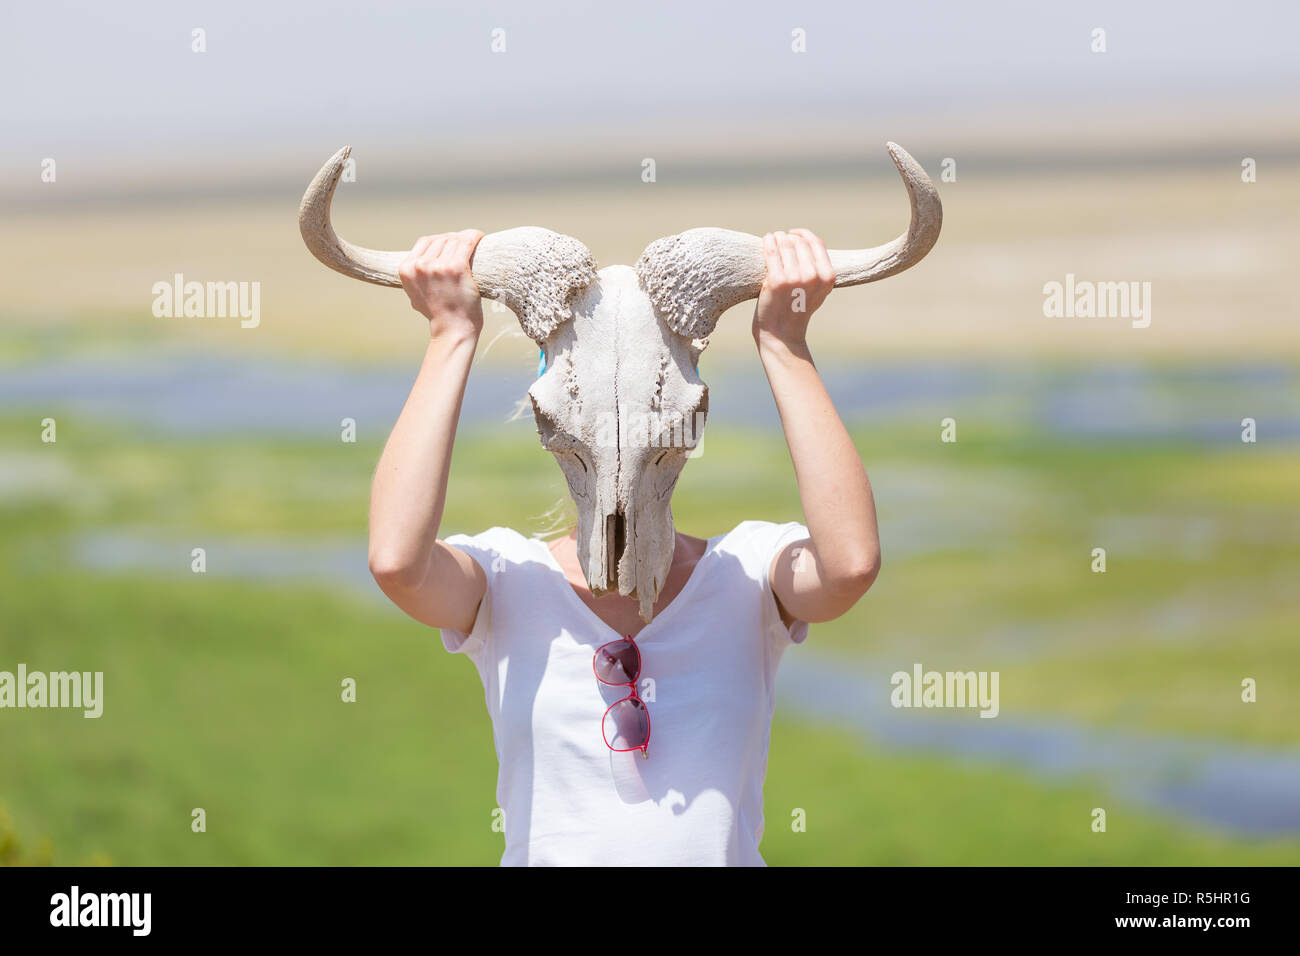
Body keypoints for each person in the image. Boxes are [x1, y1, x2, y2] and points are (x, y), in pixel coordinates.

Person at [368, 227, 881, 866]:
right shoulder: (507, 582)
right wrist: (449, 336)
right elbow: (396, 563)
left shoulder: (747, 575)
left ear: (692, 423)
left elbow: (850, 564)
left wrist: (784, 342)